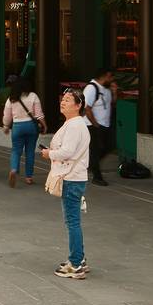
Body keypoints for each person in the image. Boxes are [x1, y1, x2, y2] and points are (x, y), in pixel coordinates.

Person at [41, 88, 92, 280]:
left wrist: (49, 154)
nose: (63, 102)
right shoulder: (75, 124)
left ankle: (76, 264)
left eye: (69, 100)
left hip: (71, 179)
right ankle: (79, 259)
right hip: (75, 178)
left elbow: (66, 152)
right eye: (63, 99)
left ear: (78, 106)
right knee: (73, 221)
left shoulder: (74, 126)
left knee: (72, 222)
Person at [2, 75, 46, 187]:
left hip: (17, 126)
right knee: (30, 151)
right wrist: (44, 126)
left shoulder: (11, 98)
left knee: (16, 150)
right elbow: (39, 114)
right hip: (31, 126)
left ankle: (13, 169)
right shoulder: (33, 96)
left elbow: (7, 116)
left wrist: (6, 126)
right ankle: (29, 177)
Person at [83, 67, 117, 186]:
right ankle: (97, 176)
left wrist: (114, 92)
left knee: (109, 146)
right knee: (96, 150)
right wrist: (95, 124)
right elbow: (87, 108)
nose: (112, 80)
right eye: (111, 77)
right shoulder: (91, 88)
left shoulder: (106, 89)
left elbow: (111, 103)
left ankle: (91, 164)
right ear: (105, 76)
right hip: (93, 125)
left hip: (105, 124)